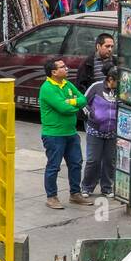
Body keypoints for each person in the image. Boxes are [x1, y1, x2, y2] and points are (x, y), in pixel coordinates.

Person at [39, 58, 88, 210]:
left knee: (76, 163)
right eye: (62, 67)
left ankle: (75, 194)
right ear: (54, 72)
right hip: (54, 135)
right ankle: (51, 197)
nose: (66, 68)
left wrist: (70, 102)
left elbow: (83, 99)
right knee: (54, 166)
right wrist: (73, 104)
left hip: (71, 133)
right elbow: (63, 109)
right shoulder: (47, 88)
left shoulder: (67, 84)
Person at [81, 65, 118, 199]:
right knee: (93, 160)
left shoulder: (122, 90)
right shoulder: (96, 87)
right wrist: (91, 115)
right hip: (95, 131)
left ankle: (107, 188)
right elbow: (83, 102)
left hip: (112, 133)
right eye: (117, 81)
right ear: (110, 79)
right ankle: (87, 187)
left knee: (110, 160)